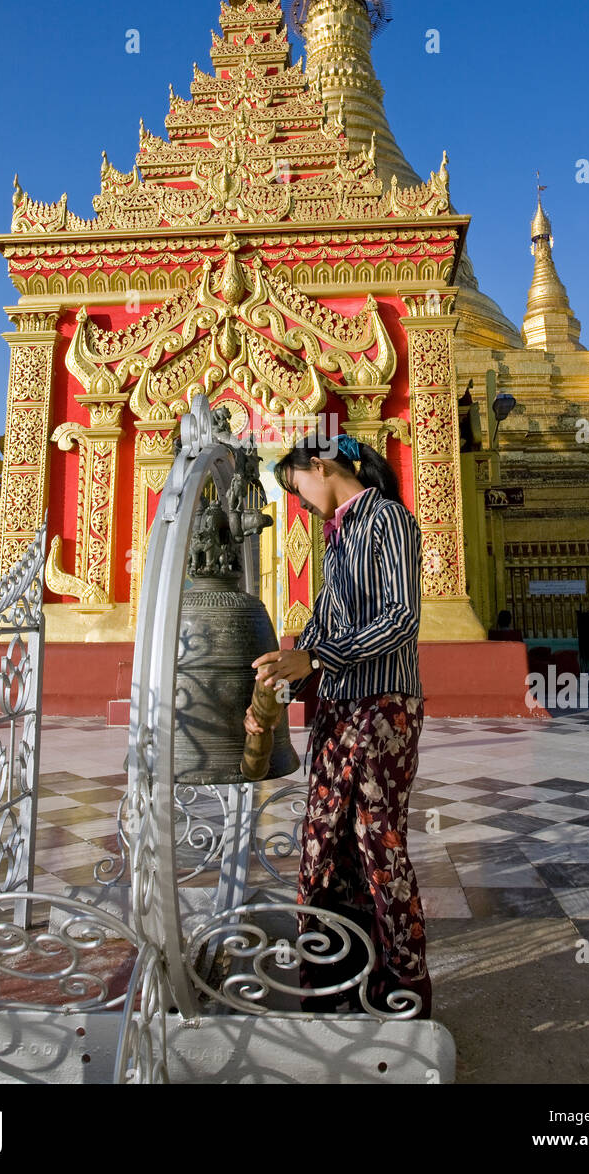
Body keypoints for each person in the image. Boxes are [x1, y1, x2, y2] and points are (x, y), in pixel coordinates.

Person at [245, 431, 432, 1017]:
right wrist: (277, 686)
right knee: (327, 844)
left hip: (382, 710)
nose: (295, 500)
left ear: (319, 463)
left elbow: (401, 617)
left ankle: (400, 991)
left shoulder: (388, 520)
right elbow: (323, 636)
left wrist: (318, 659)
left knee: (379, 845)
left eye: (293, 484)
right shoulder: (339, 537)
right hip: (338, 710)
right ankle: (336, 976)